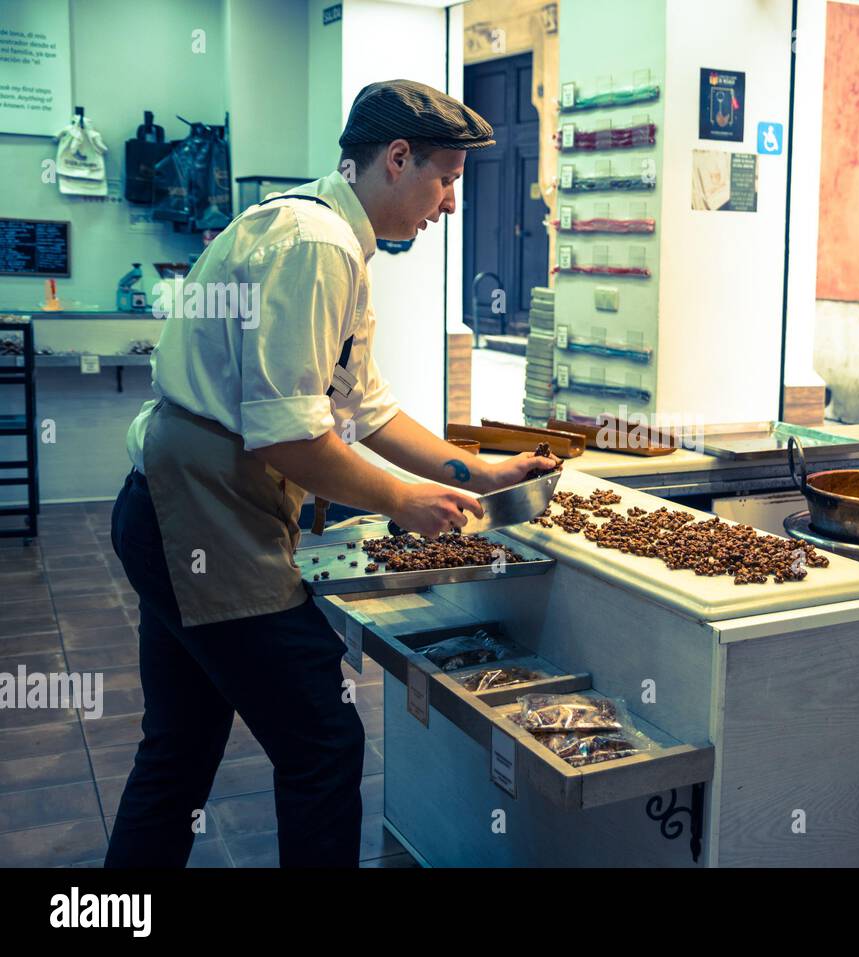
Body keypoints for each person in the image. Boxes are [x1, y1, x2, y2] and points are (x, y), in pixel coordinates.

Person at [104, 79, 557, 867]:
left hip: (174, 512)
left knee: (178, 748)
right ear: (396, 157)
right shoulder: (315, 245)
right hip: (201, 519)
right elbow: (289, 436)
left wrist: (475, 471)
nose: (449, 203)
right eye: (445, 178)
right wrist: (402, 499)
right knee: (322, 739)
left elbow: (365, 406)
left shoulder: (336, 240)